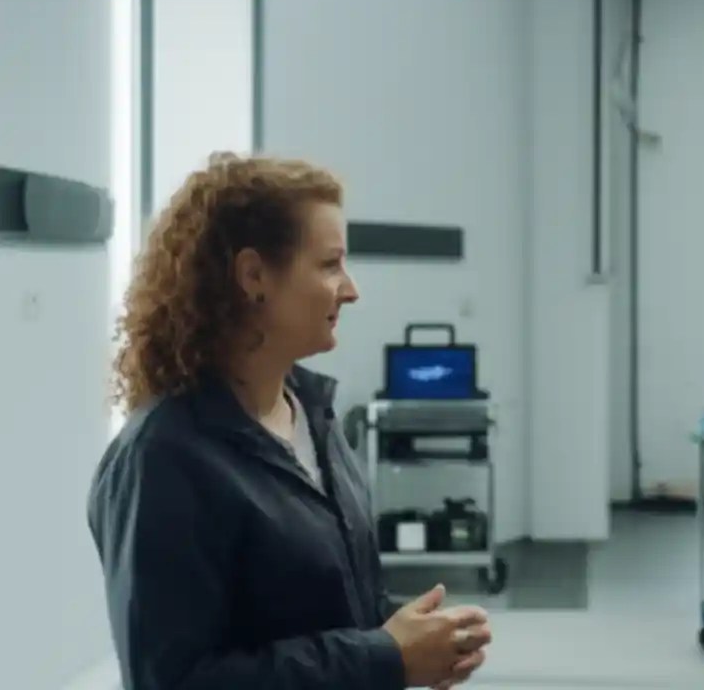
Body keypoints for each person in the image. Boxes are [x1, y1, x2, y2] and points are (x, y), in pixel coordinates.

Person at [88, 152, 491, 690]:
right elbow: (176, 681)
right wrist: (383, 657)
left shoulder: (313, 413)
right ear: (254, 275)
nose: (351, 289)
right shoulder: (163, 458)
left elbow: (325, 604)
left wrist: (416, 637)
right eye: (329, 265)